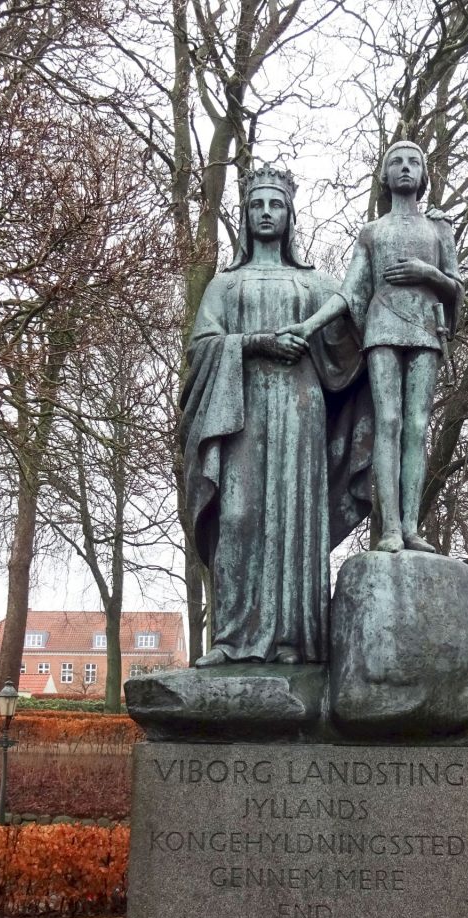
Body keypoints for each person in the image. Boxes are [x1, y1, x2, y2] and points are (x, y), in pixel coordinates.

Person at [180, 164, 372, 667]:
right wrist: (257, 344)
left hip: (299, 409)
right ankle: (231, 639)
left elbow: (350, 344)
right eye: (257, 205)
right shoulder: (224, 285)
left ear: (290, 216)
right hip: (240, 411)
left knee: (295, 520)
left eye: (276, 205)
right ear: (245, 216)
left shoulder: (315, 284)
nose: (267, 213)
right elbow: (201, 349)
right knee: (239, 517)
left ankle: (295, 641)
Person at [278, 141, 463, 553]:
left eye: (413, 161)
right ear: (384, 175)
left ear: (423, 174)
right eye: (395, 162)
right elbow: (349, 293)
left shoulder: (438, 229)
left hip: (426, 329)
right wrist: (308, 327)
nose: (404, 168)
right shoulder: (372, 232)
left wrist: (427, 273)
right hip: (382, 327)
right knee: (389, 423)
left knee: (417, 426)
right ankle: (391, 528)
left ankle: (412, 526)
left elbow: (455, 287)